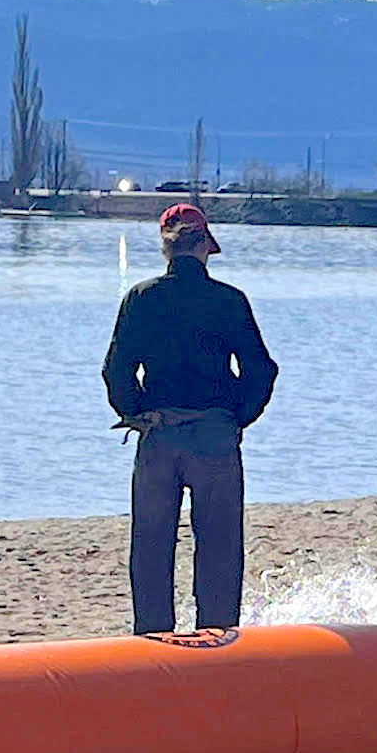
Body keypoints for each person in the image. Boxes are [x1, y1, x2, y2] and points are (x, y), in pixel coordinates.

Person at [102, 205, 279, 635]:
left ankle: (153, 640)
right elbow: (261, 371)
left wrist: (136, 412)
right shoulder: (229, 300)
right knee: (219, 547)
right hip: (214, 435)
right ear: (205, 247)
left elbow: (116, 370)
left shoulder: (141, 298)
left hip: (158, 434)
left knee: (150, 546)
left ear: (166, 250)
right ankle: (217, 640)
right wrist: (235, 418)